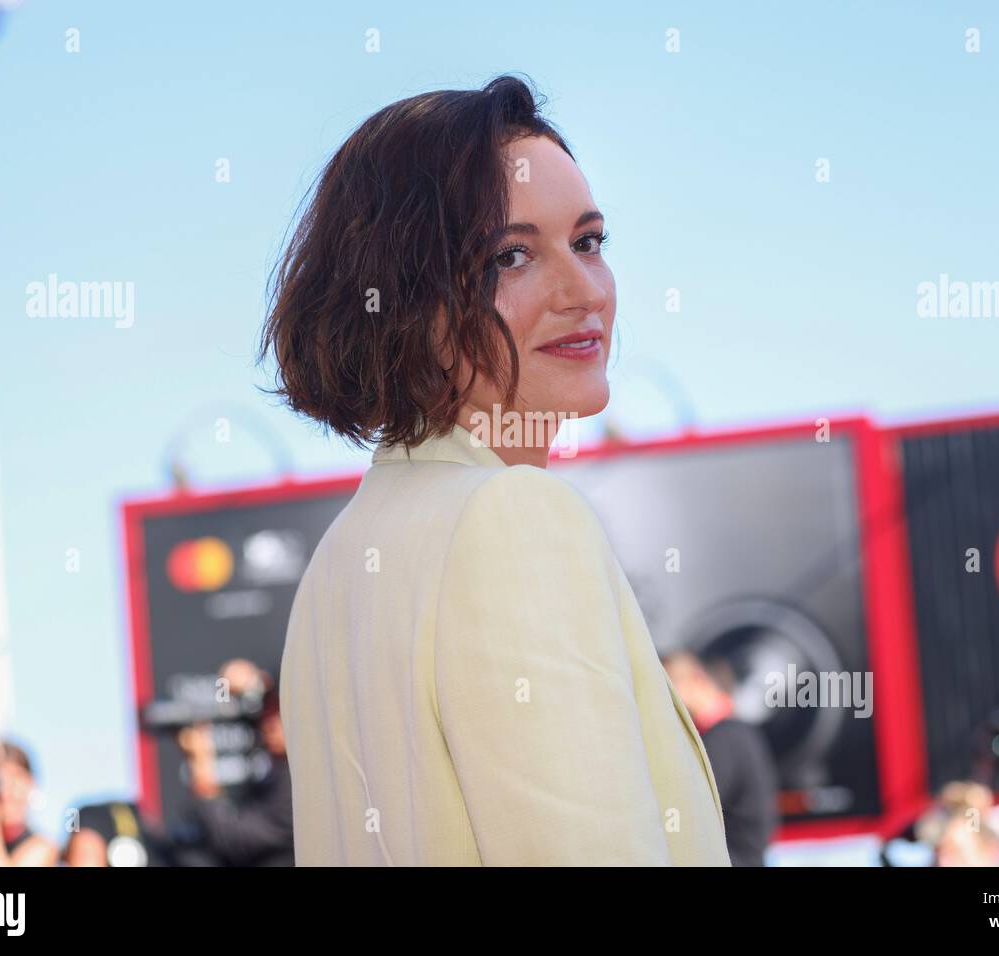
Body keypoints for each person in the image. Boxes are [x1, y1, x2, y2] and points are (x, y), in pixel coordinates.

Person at [262, 74, 728, 865]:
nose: (584, 291)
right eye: (512, 255)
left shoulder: (338, 566)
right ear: (407, 298)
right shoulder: (513, 517)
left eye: (588, 242)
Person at [661, 650, 777, 865]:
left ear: (696, 681)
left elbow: (692, 805)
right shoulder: (738, 732)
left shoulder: (723, 739)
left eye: (669, 690)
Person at [173, 661, 294, 866]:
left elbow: (236, 842)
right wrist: (252, 680)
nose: (268, 721)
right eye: (267, 707)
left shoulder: (304, 782)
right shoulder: (275, 769)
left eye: (281, 710)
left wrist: (202, 768)